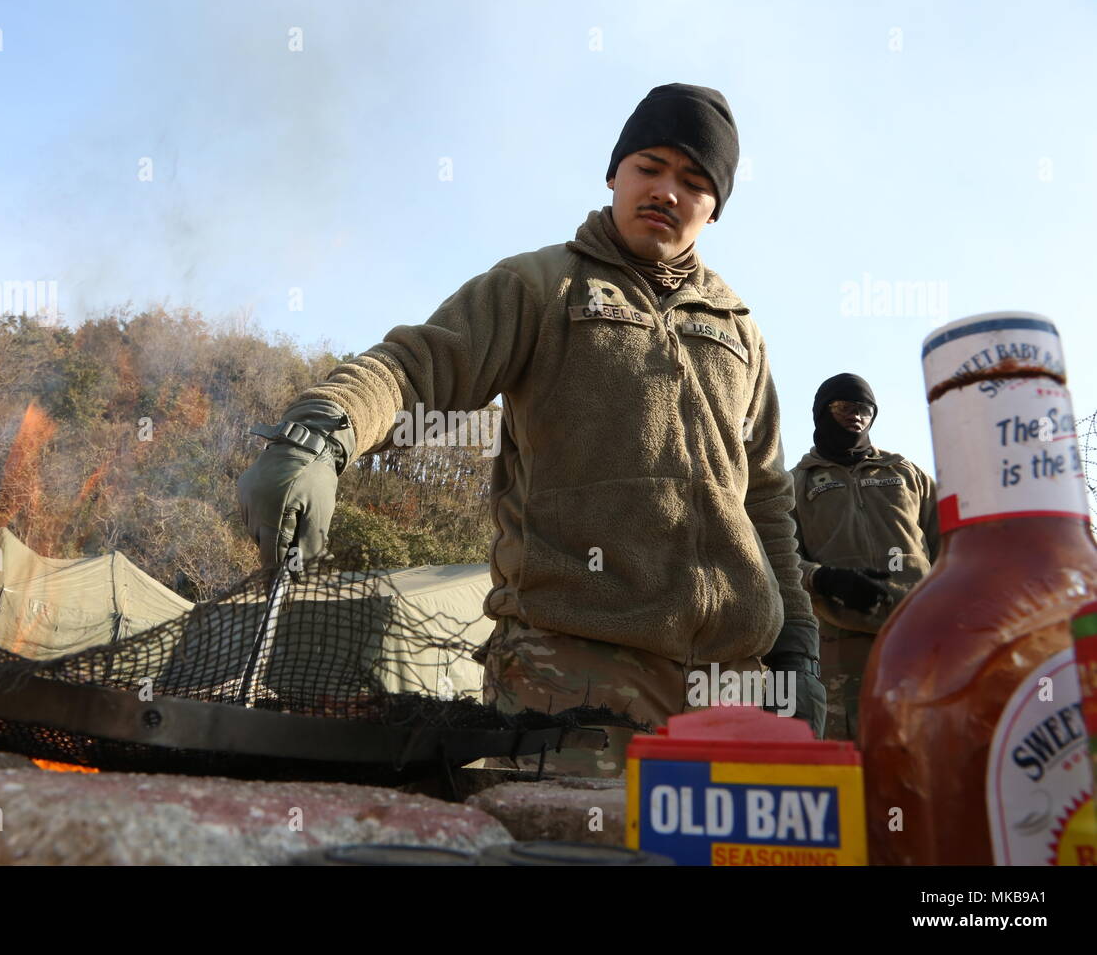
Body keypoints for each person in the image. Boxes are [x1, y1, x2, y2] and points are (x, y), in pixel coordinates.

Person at [237, 83, 826, 776]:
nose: (666, 191)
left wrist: (798, 648)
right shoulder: (542, 287)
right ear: (614, 174)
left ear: (715, 207)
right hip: (574, 673)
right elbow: (412, 369)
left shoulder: (740, 332)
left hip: (733, 687)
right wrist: (319, 435)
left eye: (694, 181)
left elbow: (765, 504)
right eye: (649, 167)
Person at [791, 373, 940, 741]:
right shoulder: (795, 484)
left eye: (864, 410)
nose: (856, 417)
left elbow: (949, 543)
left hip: (917, 636)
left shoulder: (904, 473)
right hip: (841, 645)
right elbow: (778, 560)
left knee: (924, 747)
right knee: (853, 759)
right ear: (822, 413)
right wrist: (823, 578)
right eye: (844, 408)